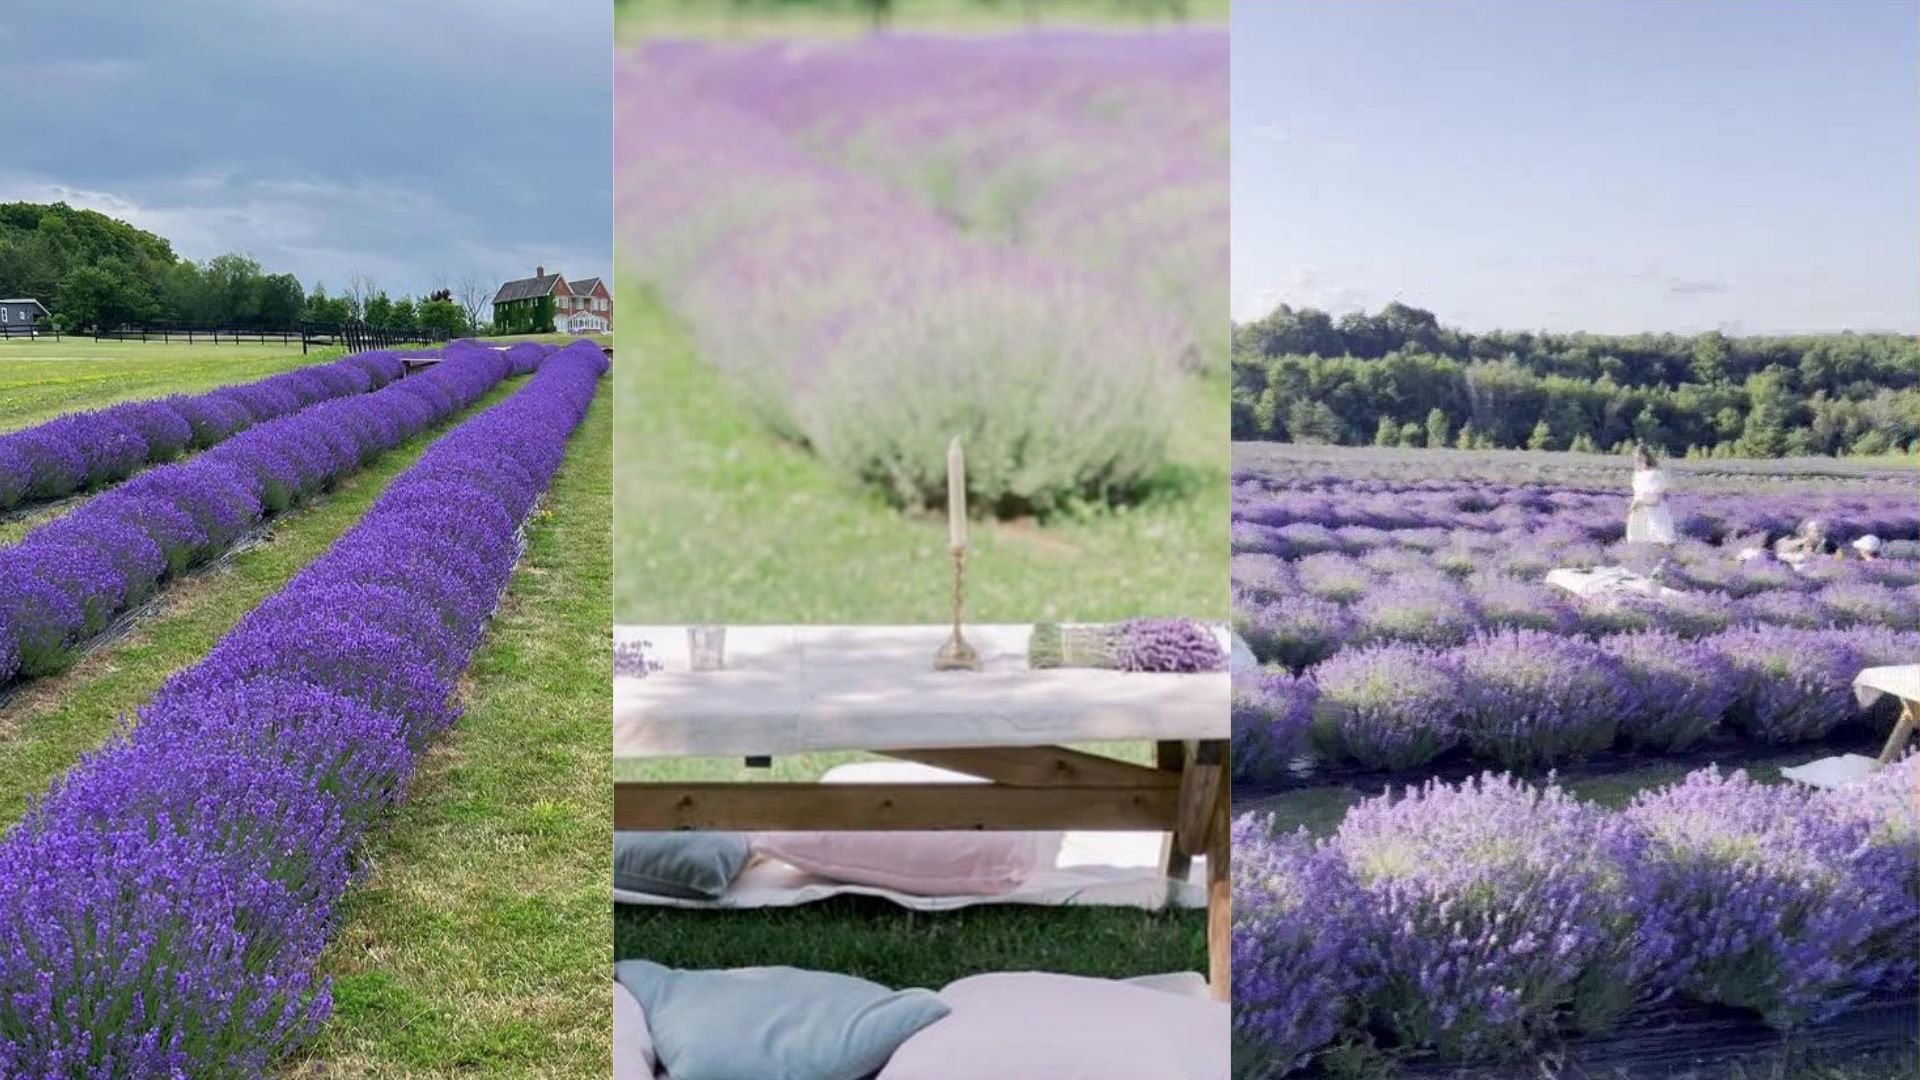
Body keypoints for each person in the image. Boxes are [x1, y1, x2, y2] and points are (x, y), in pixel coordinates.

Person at [1625, 446, 1678, 546]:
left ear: (1644, 457)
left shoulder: (1655, 474)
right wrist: (1632, 504)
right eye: (1635, 459)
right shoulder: (1637, 475)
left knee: (1661, 542)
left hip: (1654, 515)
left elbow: (1656, 499)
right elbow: (1638, 494)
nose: (1636, 461)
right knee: (1638, 546)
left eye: (1638, 458)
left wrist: (1640, 502)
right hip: (1638, 516)